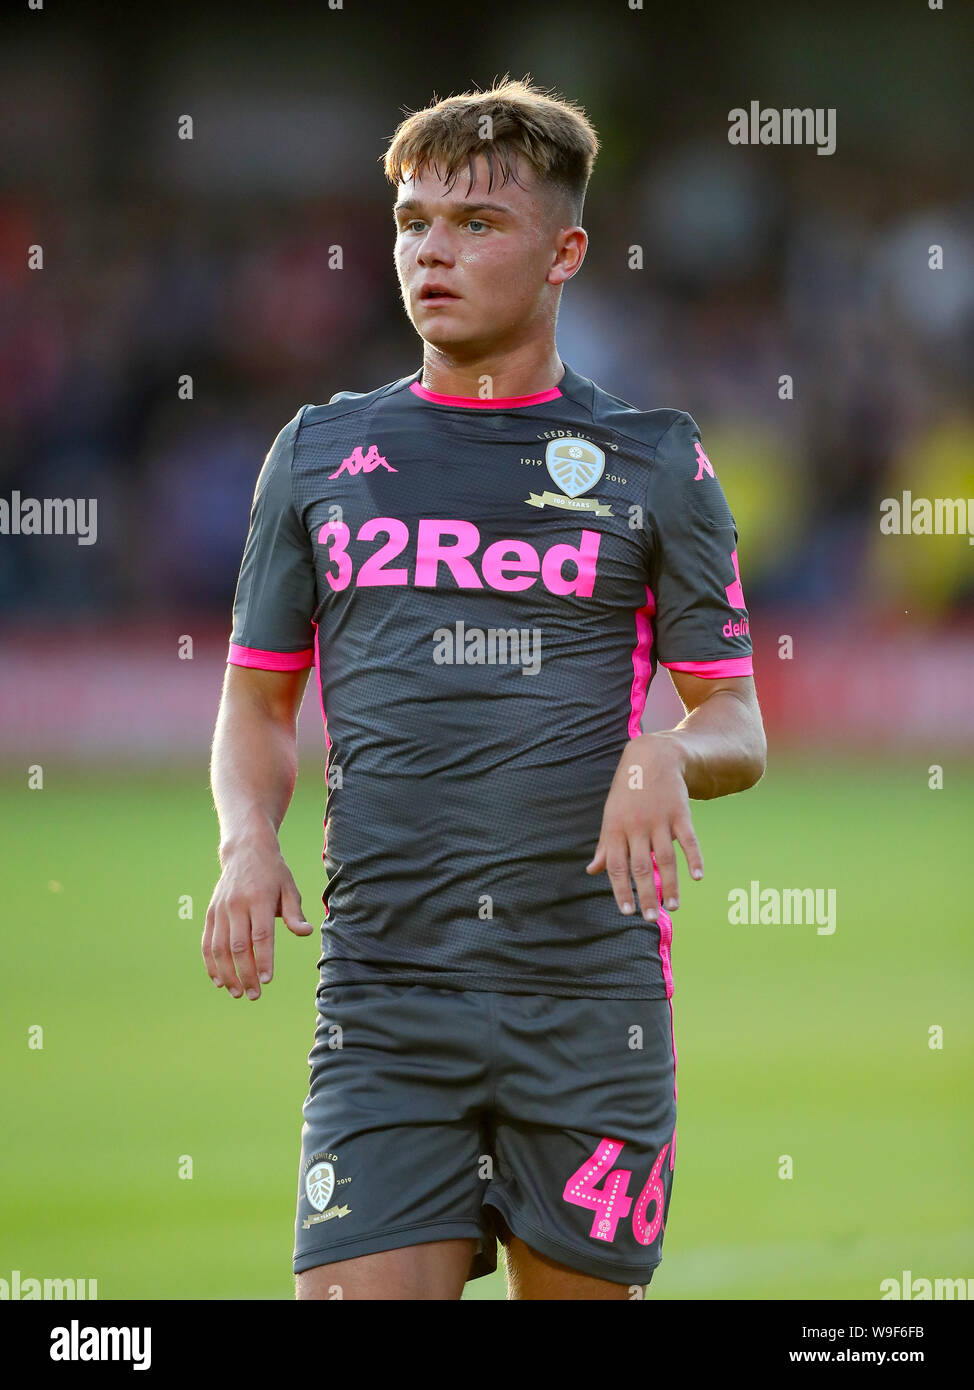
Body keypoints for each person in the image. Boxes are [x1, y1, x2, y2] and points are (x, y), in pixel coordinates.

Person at [202, 75, 766, 1301]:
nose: (429, 253)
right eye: (411, 223)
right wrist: (249, 839)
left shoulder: (652, 460)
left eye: (474, 224)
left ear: (564, 252)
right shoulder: (316, 453)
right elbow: (254, 707)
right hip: (383, 998)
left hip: (590, 998)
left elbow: (735, 721)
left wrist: (662, 753)